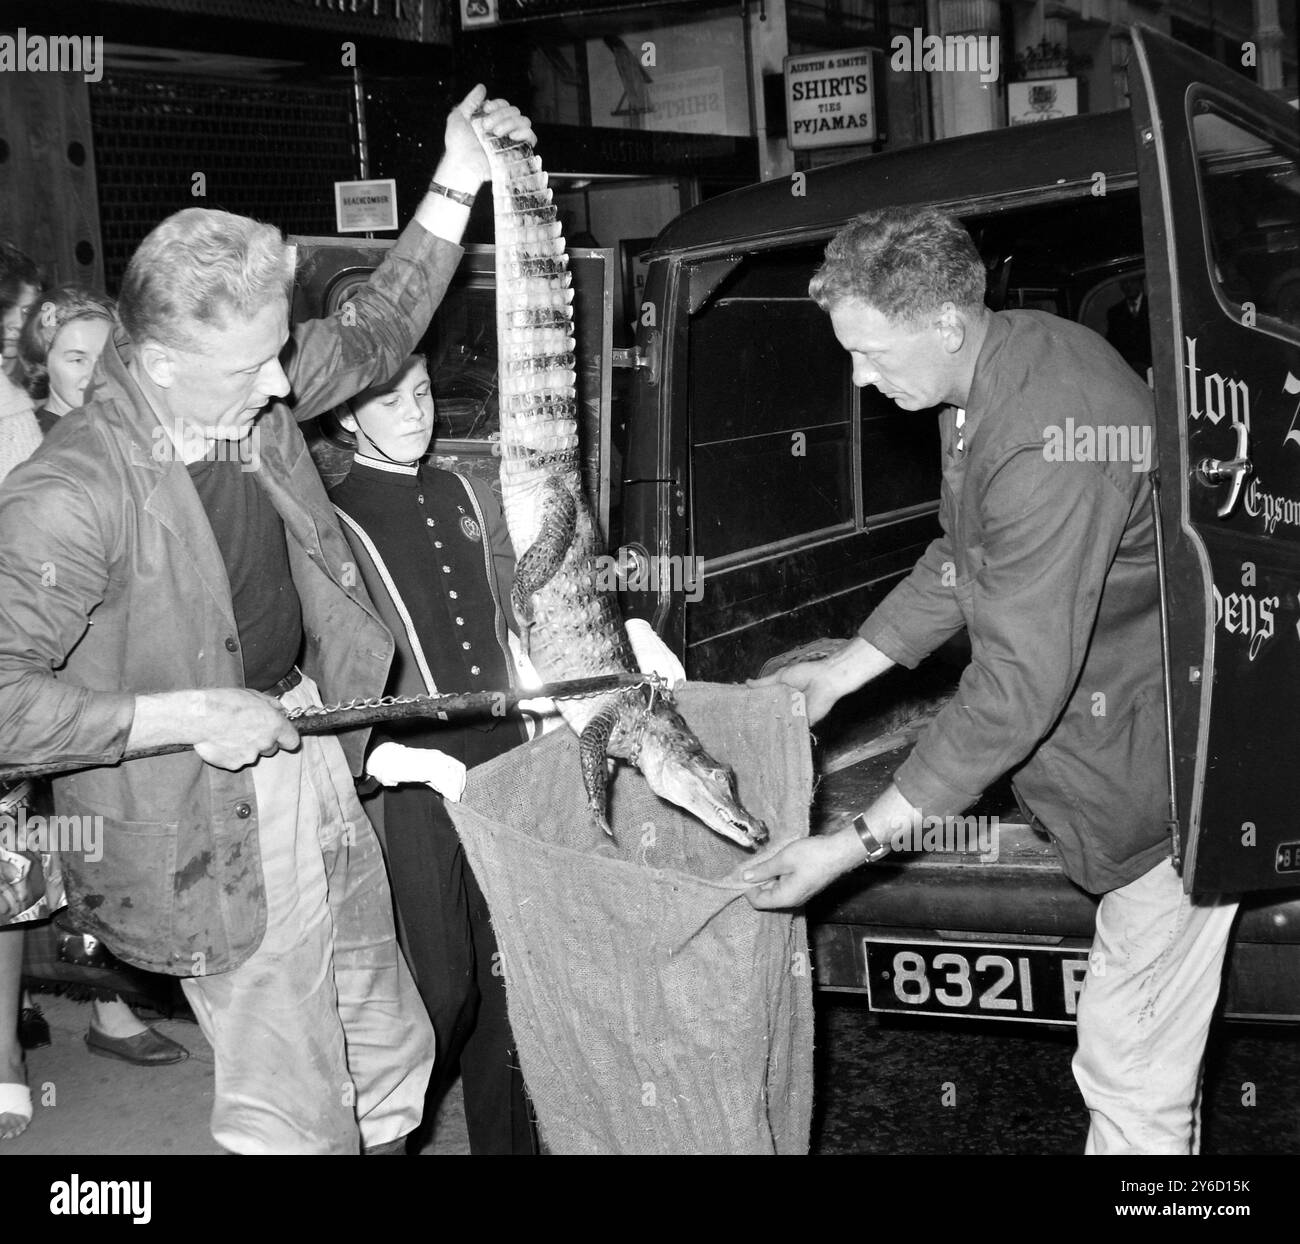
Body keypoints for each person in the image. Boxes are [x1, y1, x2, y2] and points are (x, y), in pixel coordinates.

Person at [0, 86, 537, 1155]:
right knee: (290, 1102)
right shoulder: (71, 490)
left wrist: (456, 179)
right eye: (250, 369)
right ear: (154, 364)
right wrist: (185, 713)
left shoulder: (255, 376)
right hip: (194, 801)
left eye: (274, 356)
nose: (278, 383)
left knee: (387, 1047)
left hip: (305, 740)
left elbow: (376, 332)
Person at [745, 207, 1238, 1156]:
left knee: (1130, 1074)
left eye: (869, 351)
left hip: (1165, 790)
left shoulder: (1051, 431)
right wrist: (839, 677)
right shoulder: (995, 375)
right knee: (1151, 1067)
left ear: (944, 324)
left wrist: (847, 850)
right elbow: (964, 555)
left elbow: (1014, 690)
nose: (857, 376)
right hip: (1124, 764)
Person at [320, 354, 683, 1153]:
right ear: (346, 417)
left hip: (500, 751)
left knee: (511, 976)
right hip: (410, 767)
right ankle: (380, 1139)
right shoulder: (332, 514)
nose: (415, 414)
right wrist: (384, 754)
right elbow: (326, 654)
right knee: (442, 987)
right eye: (389, 401)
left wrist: (621, 640)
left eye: (422, 396)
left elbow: (534, 596)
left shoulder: (460, 491)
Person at [1106, 274, 1151, 377]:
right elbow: (1112, 344)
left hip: (1152, 369)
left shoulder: (1153, 306)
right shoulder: (1114, 312)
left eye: (1132, 281)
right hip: (1126, 371)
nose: (1128, 286)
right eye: (1124, 283)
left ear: (1140, 283)